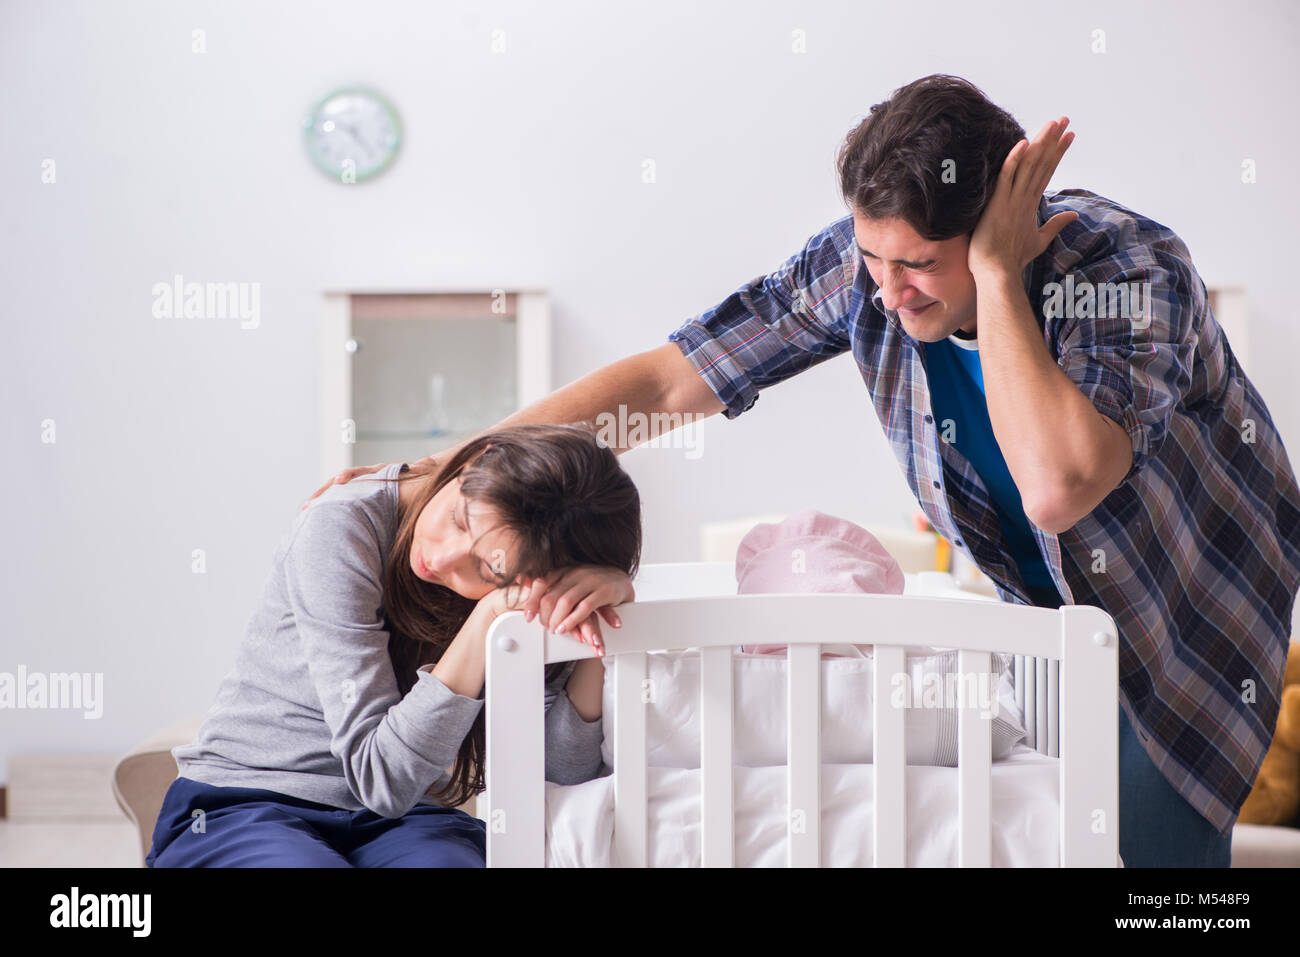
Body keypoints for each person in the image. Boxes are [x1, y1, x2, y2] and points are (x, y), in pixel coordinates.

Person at [308, 75, 1300, 868]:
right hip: (1051, 621)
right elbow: (665, 381)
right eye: (874, 257)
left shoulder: (1118, 267)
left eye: (921, 263)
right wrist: (442, 470)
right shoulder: (864, 266)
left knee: (1152, 878)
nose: (888, 288)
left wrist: (997, 278)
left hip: (1190, 623)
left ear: (1009, 215)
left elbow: (1059, 485)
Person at [149, 422, 640, 867]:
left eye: (488, 571)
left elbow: (557, 773)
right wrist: (486, 615)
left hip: (412, 819)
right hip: (248, 801)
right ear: (472, 462)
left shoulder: (527, 583)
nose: (443, 558)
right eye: (460, 519)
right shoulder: (342, 526)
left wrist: (595, 630)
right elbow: (379, 778)